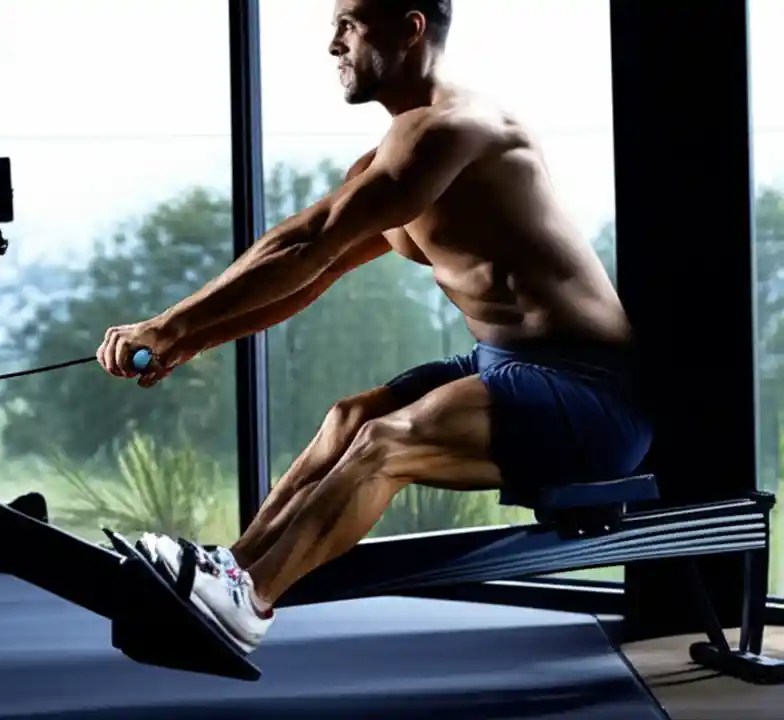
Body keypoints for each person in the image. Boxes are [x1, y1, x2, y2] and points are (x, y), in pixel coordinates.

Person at [95, 0, 652, 654]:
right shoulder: (395, 154)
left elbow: (312, 246)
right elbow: (310, 262)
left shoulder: (453, 130)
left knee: (385, 442)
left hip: (592, 396)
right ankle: (231, 570)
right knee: (349, 418)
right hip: (507, 363)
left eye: (351, 24)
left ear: (410, 28)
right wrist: (185, 341)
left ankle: (251, 601)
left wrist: (162, 326)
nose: (334, 44)